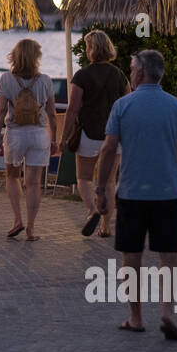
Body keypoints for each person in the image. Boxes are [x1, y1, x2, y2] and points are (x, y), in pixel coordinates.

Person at [94, 49, 177, 340]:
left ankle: (136, 317)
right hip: (168, 193)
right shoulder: (176, 106)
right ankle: (167, 312)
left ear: (140, 73)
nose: (130, 73)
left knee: (132, 257)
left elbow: (107, 150)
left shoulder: (123, 106)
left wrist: (101, 190)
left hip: (131, 193)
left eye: (131, 69)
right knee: (169, 255)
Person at [60, 29, 130, 237]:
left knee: (83, 178)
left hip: (89, 135)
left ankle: (92, 210)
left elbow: (72, 109)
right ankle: (106, 226)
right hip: (114, 136)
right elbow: (128, 104)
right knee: (109, 181)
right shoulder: (119, 75)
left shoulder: (82, 75)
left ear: (91, 49)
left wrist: (63, 138)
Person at [0, 38, 59, 242]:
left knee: (12, 177)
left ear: (15, 55)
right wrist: (54, 138)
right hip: (39, 135)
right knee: (34, 183)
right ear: (36, 56)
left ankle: (17, 220)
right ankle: (31, 229)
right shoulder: (46, 80)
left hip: (15, 135)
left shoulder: (5, 79)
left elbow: (1, 109)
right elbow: (52, 113)